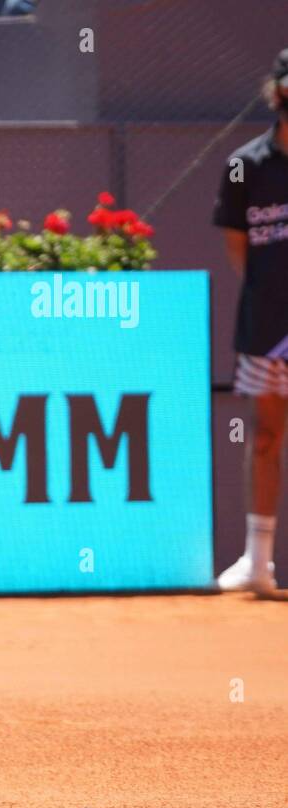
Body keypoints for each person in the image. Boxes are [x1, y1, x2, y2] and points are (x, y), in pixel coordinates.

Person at [213, 48, 288, 595]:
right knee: (263, 437)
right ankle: (257, 563)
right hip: (267, 327)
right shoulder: (244, 166)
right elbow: (239, 248)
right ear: (278, 94)